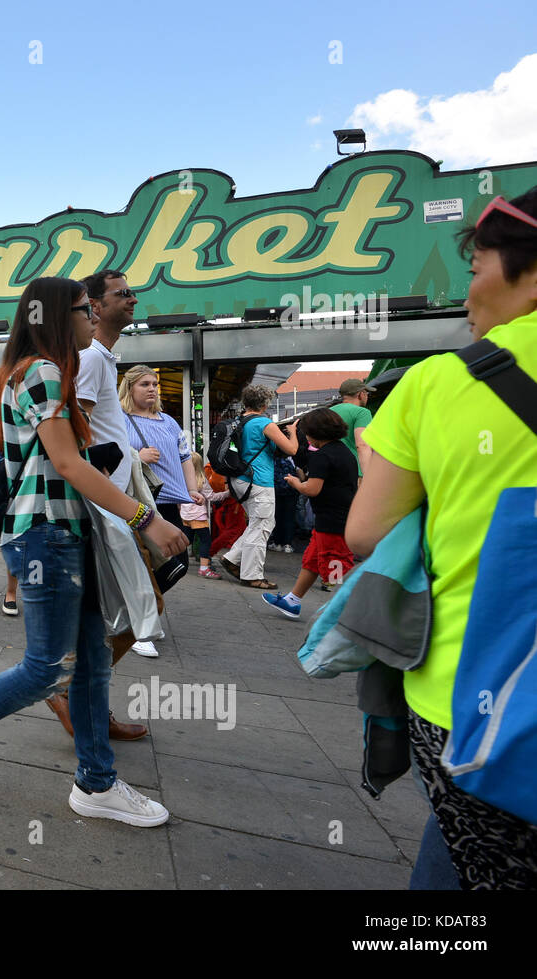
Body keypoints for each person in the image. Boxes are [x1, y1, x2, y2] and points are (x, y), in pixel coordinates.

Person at [0, 276, 187, 824]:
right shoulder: (42, 370)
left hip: (63, 532)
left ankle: (97, 784)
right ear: (58, 317)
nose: (93, 318)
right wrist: (145, 517)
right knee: (47, 668)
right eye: (85, 310)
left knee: (89, 668)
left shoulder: (38, 369)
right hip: (47, 534)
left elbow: (63, 458)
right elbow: (65, 463)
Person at [347, 187, 537, 888]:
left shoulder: (439, 383)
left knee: (473, 852)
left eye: (477, 267)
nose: (468, 291)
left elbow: (365, 533)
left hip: (476, 692)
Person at [76, 269, 157, 659]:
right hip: (103, 504)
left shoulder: (102, 357)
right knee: (138, 606)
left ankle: (80, 693)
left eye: (133, 291)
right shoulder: (90, 358)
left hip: (112, 499)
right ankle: (70, 688)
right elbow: (77, 433)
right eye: (123, 293)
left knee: (116, 610)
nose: (133, 298)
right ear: (95, 305)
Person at [262, 409, 358, 619]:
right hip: (339, 517)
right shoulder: (344, 452)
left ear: (314, 433)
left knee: (336, 564)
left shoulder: (322, 457)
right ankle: (292, 601)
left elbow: (312, 489)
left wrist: (296, 483)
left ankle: (344, 611)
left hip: (332, 521)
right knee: (312, 561)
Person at [118, 364, 205, 577]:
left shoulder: (169, 421)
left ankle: (142, 604)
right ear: (129, 388)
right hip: (138, 501)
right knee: (147, 563)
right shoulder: (119, 419)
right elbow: (108, 456)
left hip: (167, 504)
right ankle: (140, 605)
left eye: (155, 384)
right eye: (144, 384)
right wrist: (138, 458)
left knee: (178, 563)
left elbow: (185, 457)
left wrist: (192, 490)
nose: (152, 389)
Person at [218, 384, 298, 589]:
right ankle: (252, 575)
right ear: (265, 403)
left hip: (240, 479)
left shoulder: (240, 422)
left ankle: (232, 558)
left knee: (257, 524)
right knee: (262, 526)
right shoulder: (264, 423)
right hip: (259, 480)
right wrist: (293, 432)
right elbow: (291, 450)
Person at [179, 452, 229, 579]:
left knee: (186, 540)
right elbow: (212, 497)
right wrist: (227, 493)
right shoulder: (201, 480)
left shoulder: (181, 479)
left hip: (185, 515)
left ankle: (172, 559)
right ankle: (204, 568)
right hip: (198, 516)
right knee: (205, 540)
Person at [332, 378, 375, 476]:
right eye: (367, 393)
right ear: (360, 394)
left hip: (330, 472)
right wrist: (368, 476)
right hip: (354, 471)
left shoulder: (328, 412)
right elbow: (362, 445)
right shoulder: (362, 412)